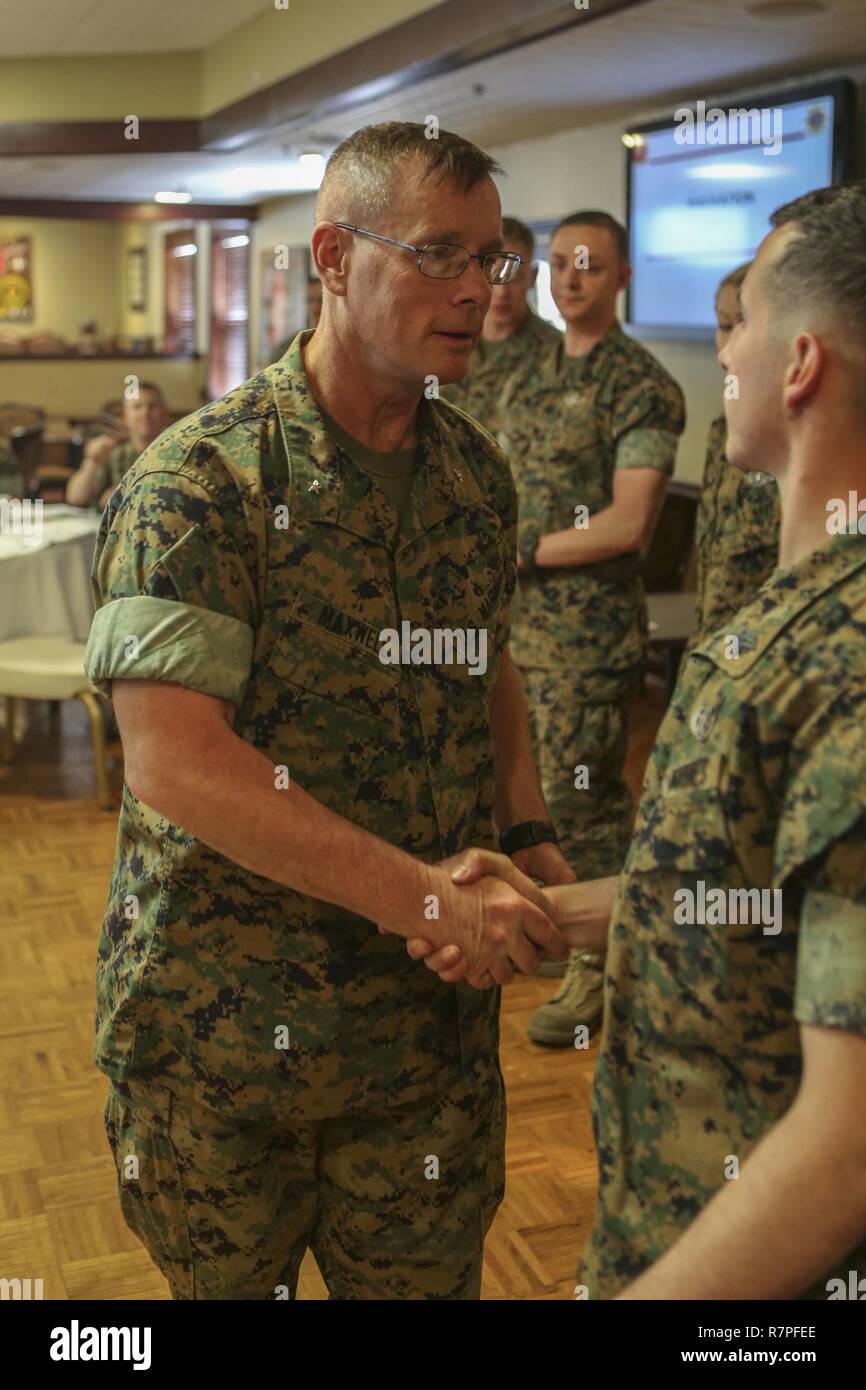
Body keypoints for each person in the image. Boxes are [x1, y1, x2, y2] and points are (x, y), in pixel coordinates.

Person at [83, 120, 569, 1302]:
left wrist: (528, 838)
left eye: (493, 261)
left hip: (419, 1044)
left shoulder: (474, 475)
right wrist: (429, 898)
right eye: (438, 255)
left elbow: (486, 666)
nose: (475, 291)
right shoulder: (203, 481)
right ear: (334, 258)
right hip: (227, 1032)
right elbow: (176, 766)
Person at [416, 180, 866, 1300]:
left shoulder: (847, 658)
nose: (723, 346)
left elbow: (846, 1145)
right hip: (671, 1217)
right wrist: (547, 909)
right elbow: (760, 890)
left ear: (799, 363)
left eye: (741, 321)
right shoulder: (792, 621)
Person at [498, 210, 685, 1045]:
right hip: (515, 629)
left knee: (586, 801)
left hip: (586, 636)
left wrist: (527, 550)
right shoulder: (527, 368)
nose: (571, 279)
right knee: (522, 797)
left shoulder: (639, 382)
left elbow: (629, 523)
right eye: (563, 265)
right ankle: (553, 932)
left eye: (592, 266)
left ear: (620, 279)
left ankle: (598, 969)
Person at [691, 263, 780, 645]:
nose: (728, 346)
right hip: (715, 643)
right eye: (724, 325)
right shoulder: (721, 435)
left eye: (742, 325)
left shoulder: (797, 440)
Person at [440, 215, 560, 435]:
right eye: (493, 273)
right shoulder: (447, 341)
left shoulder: (556, 352)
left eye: (514, 275)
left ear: (532, 277)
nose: (502, 291)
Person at [66, 382, 170, 509]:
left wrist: (124, 495)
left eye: (152, 406)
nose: (145, 413)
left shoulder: (175, 452)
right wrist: (92, 461)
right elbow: (76, 498)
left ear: (165, 413)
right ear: (125, 416)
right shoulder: (113, 451)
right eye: (137, 407)